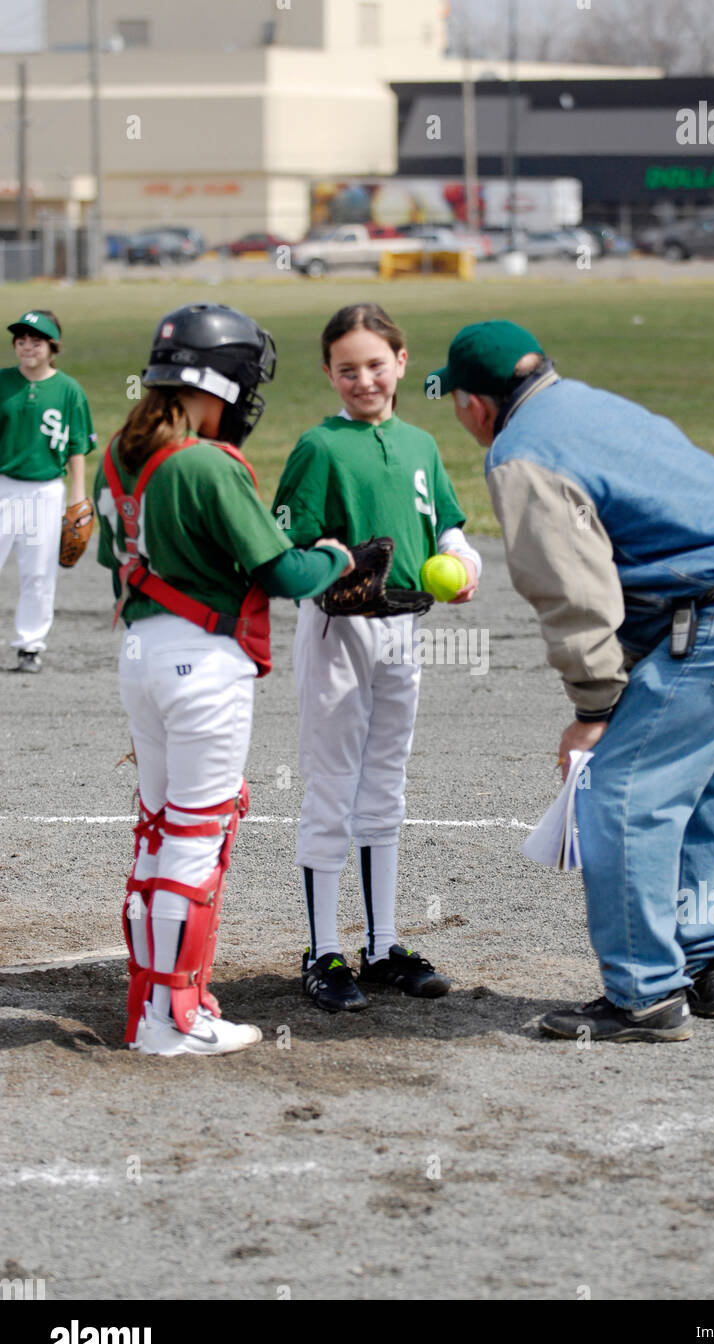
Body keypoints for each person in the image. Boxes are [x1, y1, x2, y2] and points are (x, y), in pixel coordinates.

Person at [429, 319, 714, 1044]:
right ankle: (703, 964)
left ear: (474, 404)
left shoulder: (520, 456)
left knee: (622, 794)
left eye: (455, 401)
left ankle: (643, 994)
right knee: (696, 786)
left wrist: (596, 709)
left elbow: (574, 595)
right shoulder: (590, 403)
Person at [94, 303, 352, 1056]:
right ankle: (170, 1023)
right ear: (223, 382)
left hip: (140, 655)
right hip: (202, 663)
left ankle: (155, 1005)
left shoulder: (121, 454)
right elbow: (281, 570)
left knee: (158, 833)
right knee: (197, 838)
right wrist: (338, 557)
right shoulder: (205, 462)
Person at [272, 302, 482, 1011]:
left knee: (385, 782)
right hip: (338, 631)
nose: (363, 379)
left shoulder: (420, 443)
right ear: (330, 374)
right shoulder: (319, 447)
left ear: (401, 361)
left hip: (404, 629)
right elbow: (286, 549)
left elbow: (445, 522)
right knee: (333, 783)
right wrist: (328, 564)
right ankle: (323, 950)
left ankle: (384, 943)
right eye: (346, 368)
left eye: (374, 363)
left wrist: (459, 553)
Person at [0, 310, 96, 673]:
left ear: (51, 347)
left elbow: (76, 445)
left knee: (38, 572)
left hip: (45, 490)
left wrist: (78, 494)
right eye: (21, 341)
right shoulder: (2, 381)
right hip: (3, 486)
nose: (27, 347)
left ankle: (30, 645)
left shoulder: (69, 389)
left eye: (35, 342)